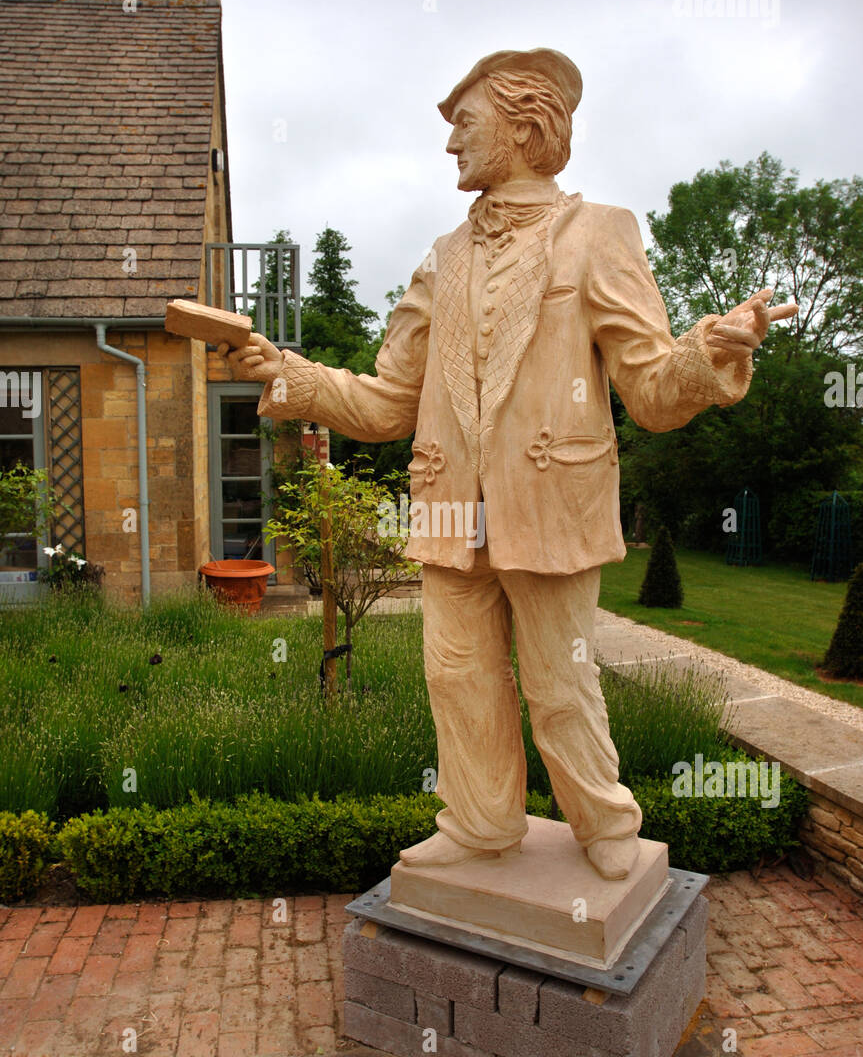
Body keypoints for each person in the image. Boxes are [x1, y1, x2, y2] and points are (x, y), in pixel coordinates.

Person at [219, 48, 796, 881]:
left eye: (463, 124)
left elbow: (650, 393)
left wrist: (705, 352)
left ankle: (602, 822)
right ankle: (482, 823)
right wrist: (292, 375)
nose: (449, 144)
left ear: (525, 125)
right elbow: (389, 401)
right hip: (452, 509)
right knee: (457, 677)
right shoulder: (442, 257)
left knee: (560, 688)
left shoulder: (600, 233)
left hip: (551, 504)